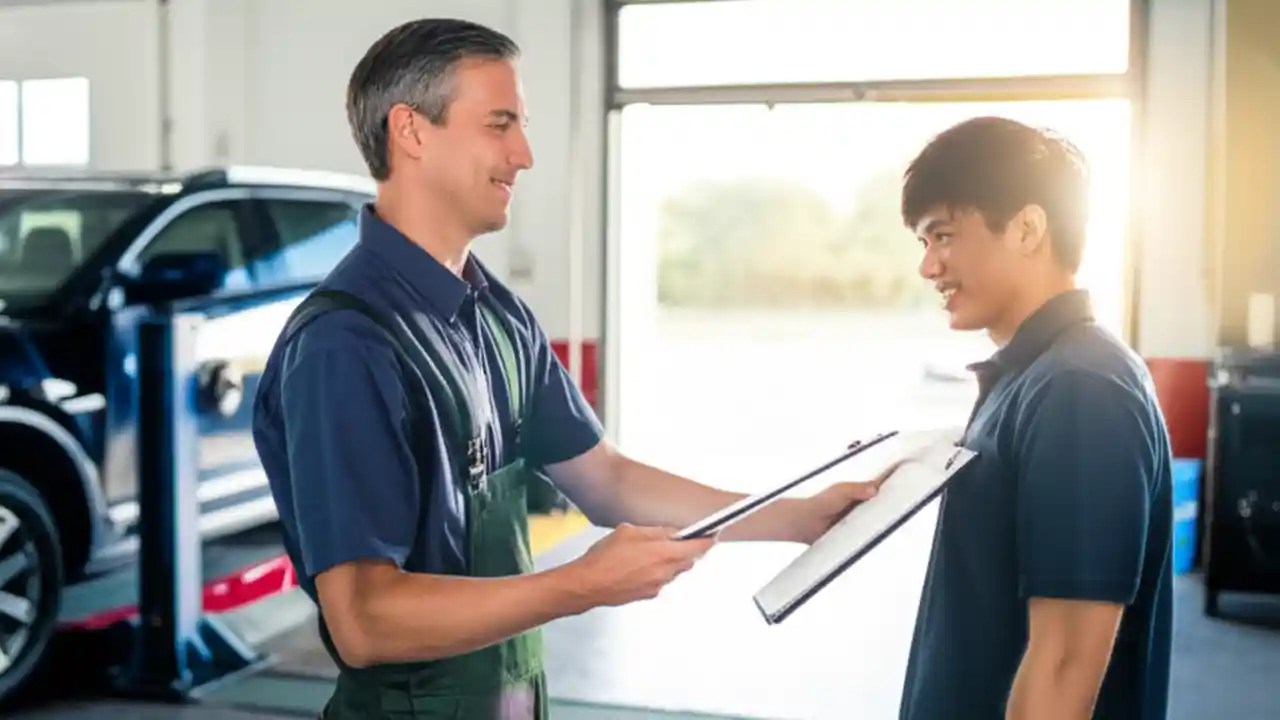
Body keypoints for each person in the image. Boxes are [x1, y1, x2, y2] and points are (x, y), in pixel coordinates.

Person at [251, 18, 881, 720]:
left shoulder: (497, 316)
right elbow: (364, 622)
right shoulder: (347, 344)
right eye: (499, 124)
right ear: (412, 132)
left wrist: (796, 517)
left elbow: (606, 480)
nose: (523, 154)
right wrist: (580, 584)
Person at [896, 116, 1174, 720]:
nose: (928, 267)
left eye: (943, 236)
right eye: (924, 244)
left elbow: (1064, 664)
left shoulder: (1081, 389)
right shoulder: (1032, 377)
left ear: (1027, 229)